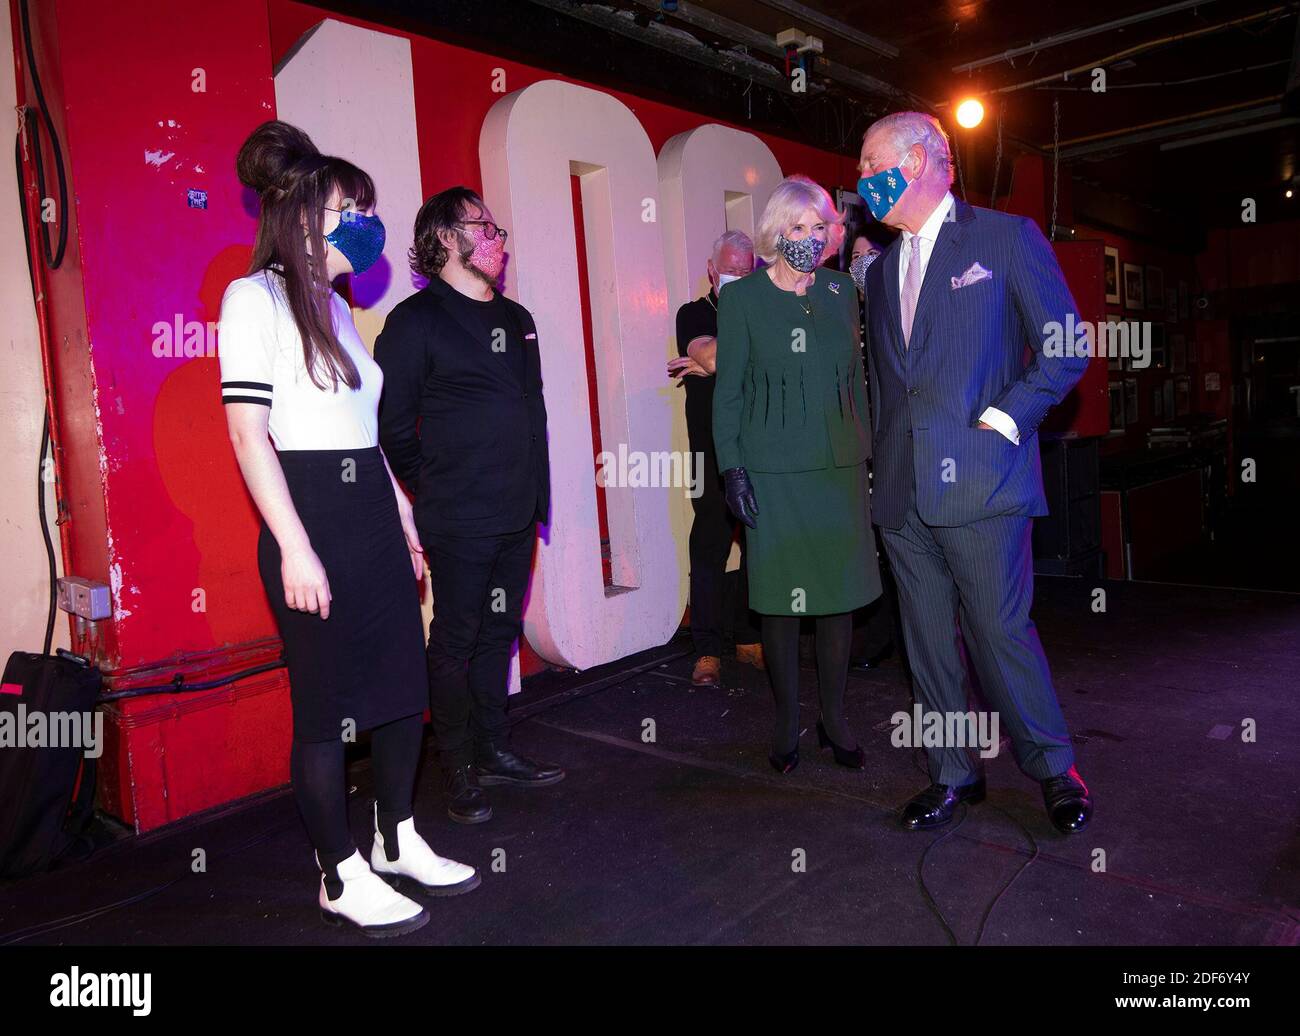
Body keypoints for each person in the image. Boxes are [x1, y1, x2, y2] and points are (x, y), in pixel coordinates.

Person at [219, 121, 478, 938]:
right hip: (311, 512)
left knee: (404, 691)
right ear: (302, 218)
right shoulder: (251, 297)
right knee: (328, 708)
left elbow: (359, 426)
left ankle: (397, 836)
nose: (366, 222)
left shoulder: (335, 303)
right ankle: (338, 871)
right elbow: (247, 433)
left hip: (368, 503)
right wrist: (295, 546)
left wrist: (401, 513)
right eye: (350, 209)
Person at [856, 110, 1094, 833]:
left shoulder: (1004, 238)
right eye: (861, 167)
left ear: (927, 159)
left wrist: (1004, 422)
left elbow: (1066, 347)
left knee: (999, 634)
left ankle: (1055, 769)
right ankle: (954, 773)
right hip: (903, 493)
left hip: (984, 486)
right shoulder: (880, 270)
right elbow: (887, 383)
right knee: (927, 644)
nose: (864, 179)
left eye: (874, 163)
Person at [374, 186, 563, 827]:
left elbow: (531, 411)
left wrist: (538, 498)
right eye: (482, 227)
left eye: (495, 226)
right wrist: (433, 490)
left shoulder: (517, 318)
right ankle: (456, 767)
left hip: (515, 515)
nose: (498, 237)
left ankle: (494, 749)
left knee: (499, 634)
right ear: (446, 241)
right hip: (457, 519)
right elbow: (392, 427)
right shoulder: (414, 322)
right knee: (454, 640)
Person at [712, 175, 882, 774]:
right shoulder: (742, 300)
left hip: (838, 467)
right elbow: (726, 394)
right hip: (773, 471)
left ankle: (833, 718)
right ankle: (786, 720)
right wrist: (732, 469)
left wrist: (870, 455)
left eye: (820, 228)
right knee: (782, 605)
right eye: (799, 228)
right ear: (776, 234)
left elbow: (860, 380)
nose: (812, 237)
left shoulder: (842, 292)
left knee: (838, 601)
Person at [667, 230, 764, 687]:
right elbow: (708, 352)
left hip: (759, 448)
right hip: (710, 452)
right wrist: (716, 358)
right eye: (730, 271)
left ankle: (749, 637)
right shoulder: (693, 313)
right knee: (708, 545)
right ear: (711, 271)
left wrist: (720, 360)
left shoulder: (763, 310)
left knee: (757, 545)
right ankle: (706, 650)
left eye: (747, 271)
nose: (739, 277)